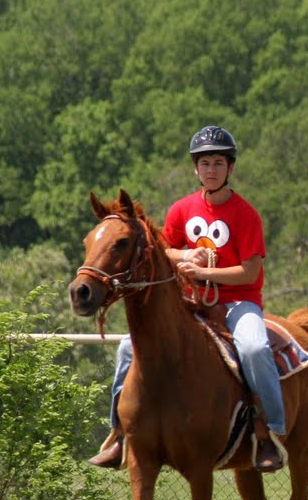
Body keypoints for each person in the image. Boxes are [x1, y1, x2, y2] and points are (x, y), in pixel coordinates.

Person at [88, 126, 288, 473]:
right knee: (126, 348)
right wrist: (185, 256)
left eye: (218, 163)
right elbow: (163, 252)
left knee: (255, 348)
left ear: (230, 168)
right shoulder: (182, 210)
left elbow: (250, 272)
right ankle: (119, 434)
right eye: (205, 163)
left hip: (238, 303)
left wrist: (205, 272)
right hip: (190, 302)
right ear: (196, 169)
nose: (211, 170)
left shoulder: (246, 214)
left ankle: (269, 432)